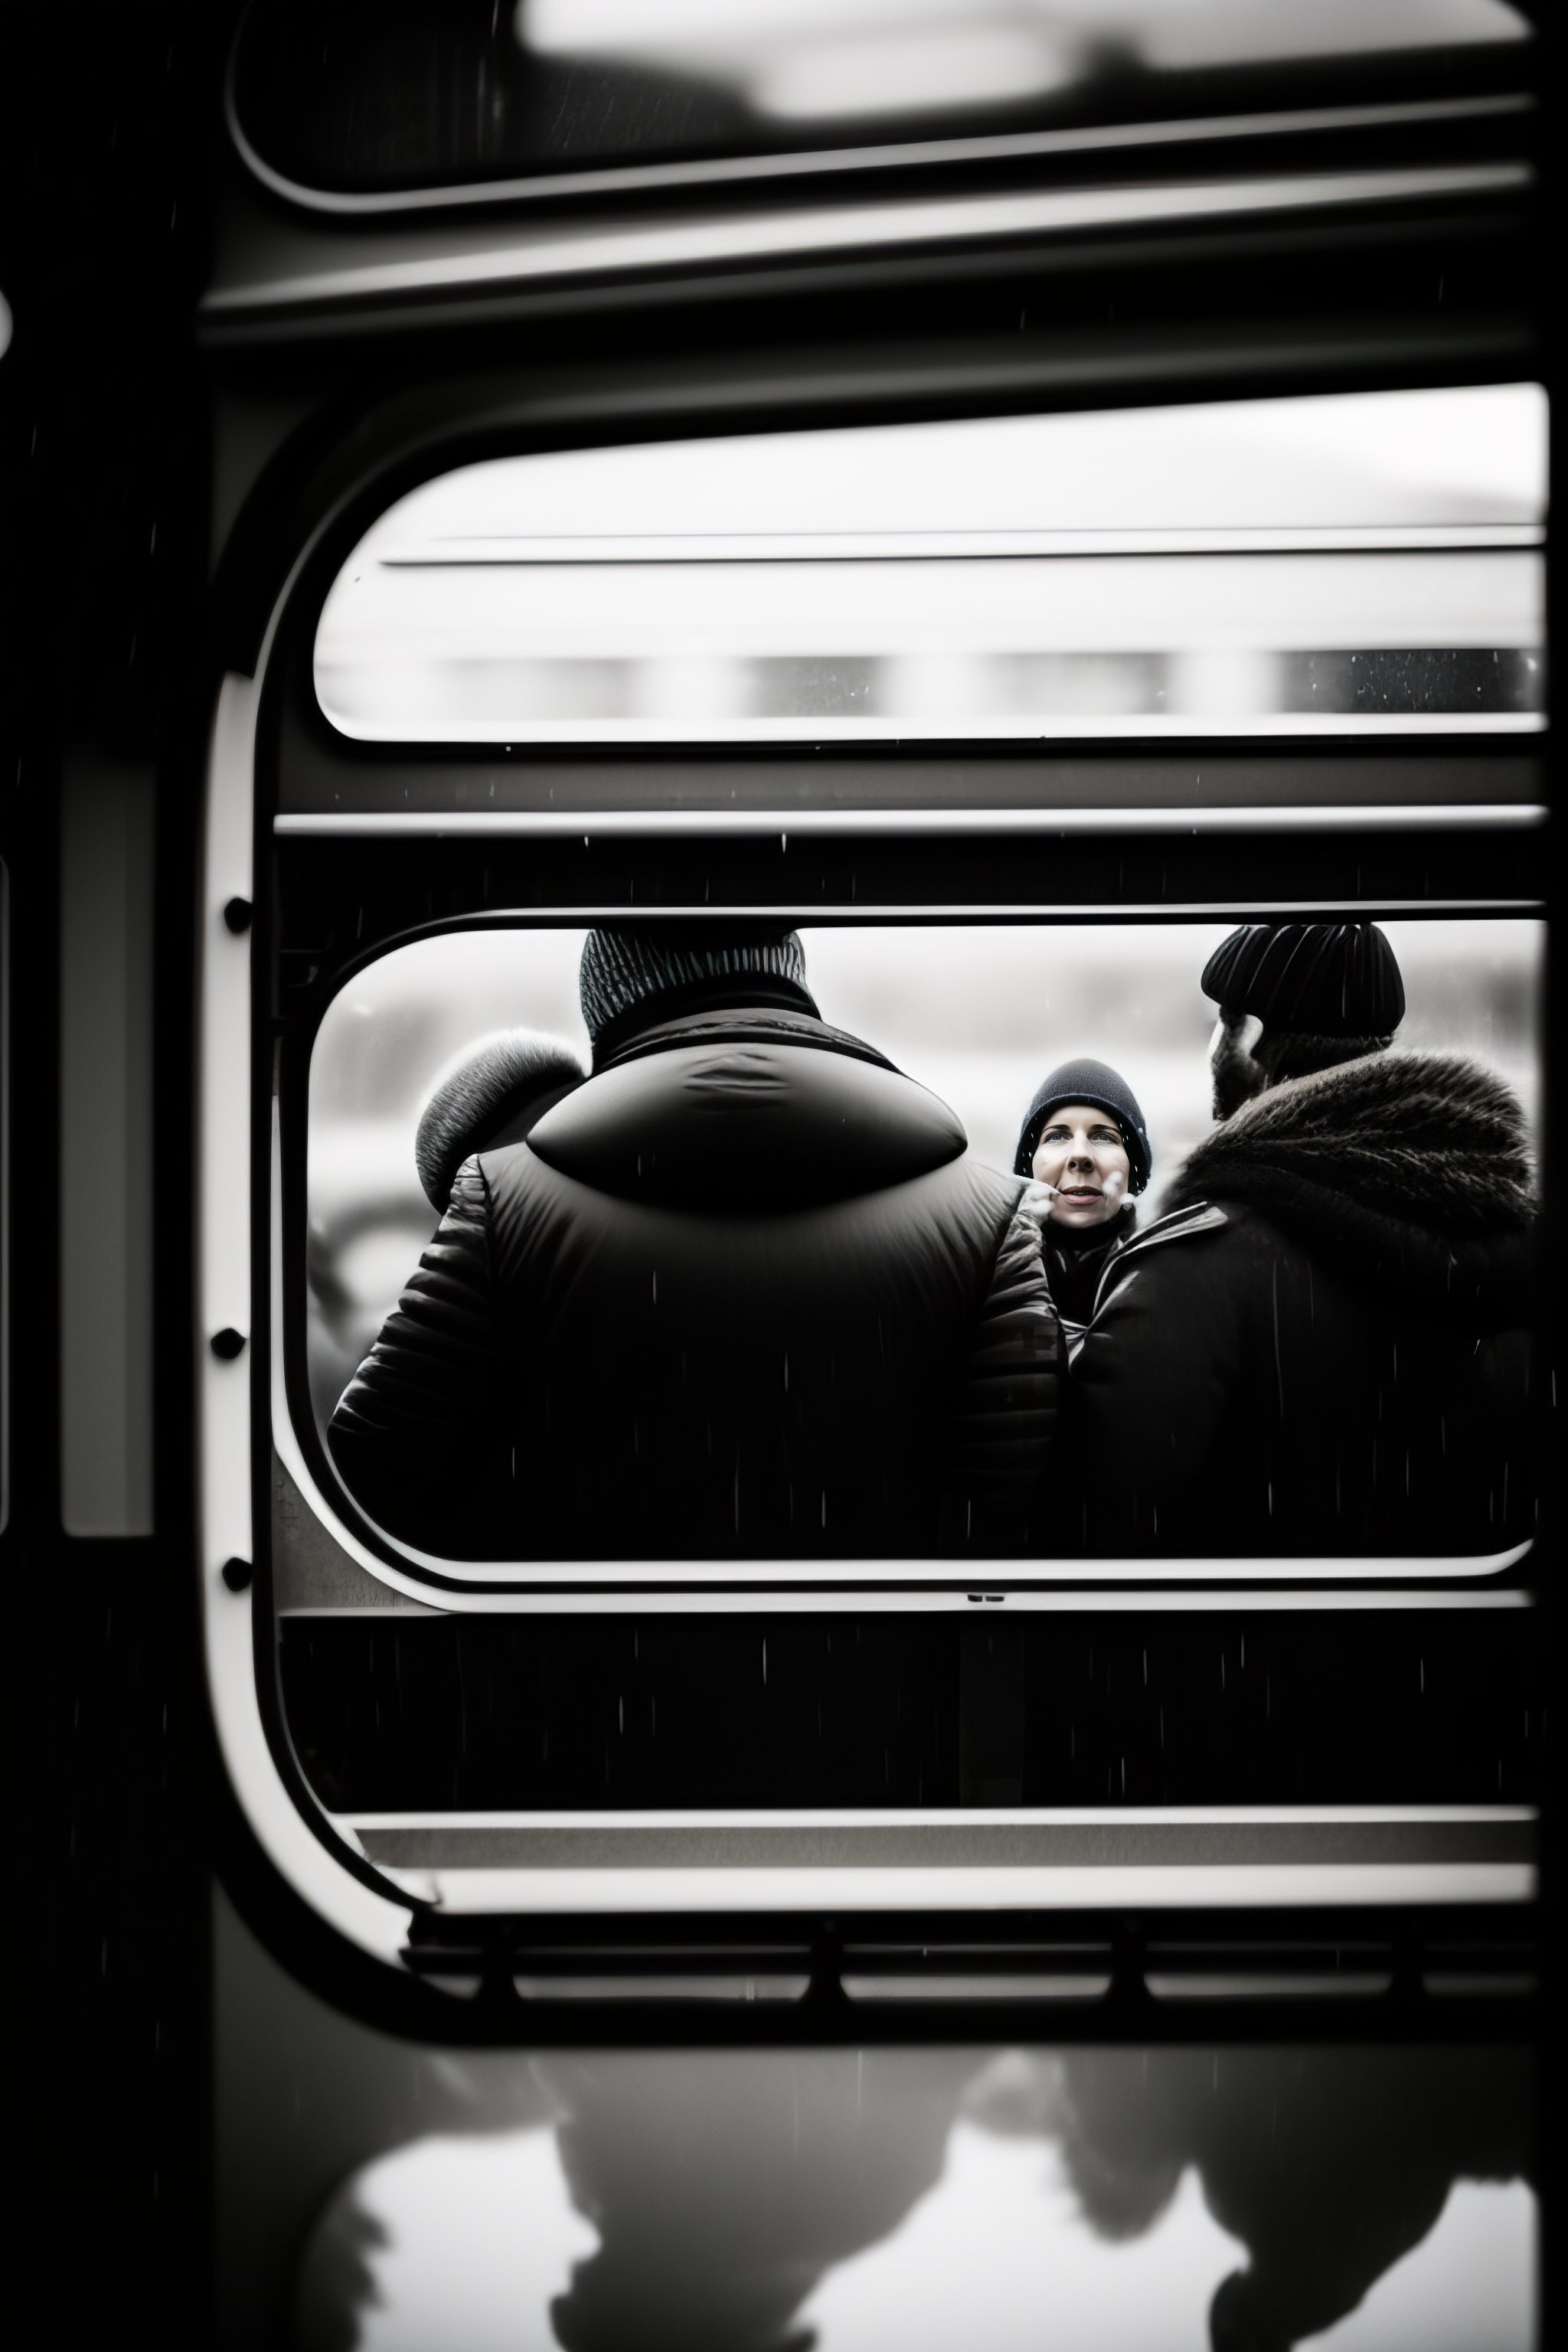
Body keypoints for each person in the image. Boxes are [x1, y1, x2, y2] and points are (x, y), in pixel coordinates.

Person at [328, 925, 1060, 1558]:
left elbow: (366, 1482)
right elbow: (1004, 1527)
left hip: (587, 1666)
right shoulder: (992, 1215)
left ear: (607, 1007)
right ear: (792, 981)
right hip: (878, 1669)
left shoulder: (502, 1201)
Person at [1070, 922, 1536, 1557]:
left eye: (1219, 1024)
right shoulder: (1505, 1245)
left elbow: (1097, 1533)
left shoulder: (1195, 1271)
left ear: (1249, 1036)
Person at [1013, 1058, 1151, 1341]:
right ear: (1029, 1169)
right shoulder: (978, 1273)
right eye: (1056, 1136)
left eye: (1104, 1137)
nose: (1080, 1154)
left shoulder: (1177, 1274)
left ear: (1133, 1172)